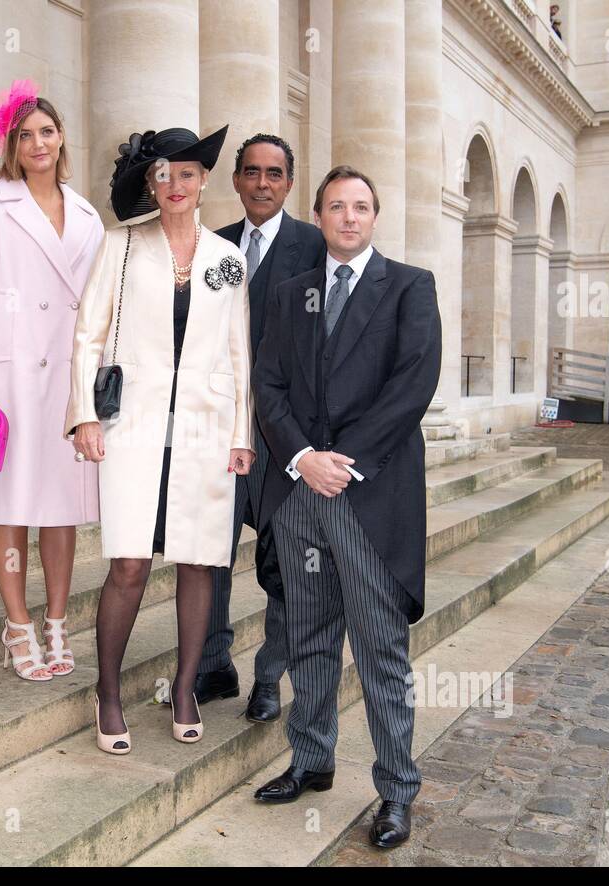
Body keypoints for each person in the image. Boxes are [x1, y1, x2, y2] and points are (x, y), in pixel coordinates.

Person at [251, 165, 441, 850]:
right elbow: (267, 383)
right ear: (321, 214)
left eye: (361, 206)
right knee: (309, 636)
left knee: (380, 648)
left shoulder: (410, 288)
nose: (349, 217)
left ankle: (396, 790)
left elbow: (412, 385)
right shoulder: (291, 292)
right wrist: (303, 458)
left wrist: (343, 462)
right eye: (337, 206)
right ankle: (311, 759)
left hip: (370, 496)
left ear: (375, 215)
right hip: (300, 493)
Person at [65, 125, 254, 755]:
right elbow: (89, 335)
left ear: (204, 183)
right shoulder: (120, 247)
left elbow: (238, 351)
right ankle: (109, 692)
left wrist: (239, 433)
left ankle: (183, 688)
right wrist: (84, 415)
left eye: (189, 173)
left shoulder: (227, 258)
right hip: (134, 426)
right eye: (165, 174)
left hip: (203, 428)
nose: (176, 184)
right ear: (153, 182)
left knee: (199, 560)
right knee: (128, 564)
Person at [0, 81, 104, 681]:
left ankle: (58, 620)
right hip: (12, 380)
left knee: (62, 510)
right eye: (24, 134)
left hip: (69, 383)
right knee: (11, 506)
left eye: (46, 131)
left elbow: (97, 309)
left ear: (61, 137)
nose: (37, 142)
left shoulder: (89, 215)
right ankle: (17, 623)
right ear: (11, 146)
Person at [201, 133, 325, 722]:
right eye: (251, 172)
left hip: (286, 437)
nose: (261, 183)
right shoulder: (213, 247)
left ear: (289, 184)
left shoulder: (316, 246)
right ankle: (211, 664)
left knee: (283, 566)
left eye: (273, 173)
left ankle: (269, 677)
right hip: (221, 432)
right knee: (209, 551)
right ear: (236, 180)